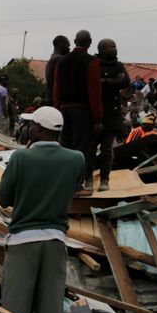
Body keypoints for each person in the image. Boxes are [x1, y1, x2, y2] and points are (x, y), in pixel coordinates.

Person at [0, 106, 86, 313]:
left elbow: (3, 198)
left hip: (23, 241)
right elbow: (75, 190)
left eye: (31, 125)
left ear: (38, 129)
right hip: (56, 242)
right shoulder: (76, 159)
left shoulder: (21, 158)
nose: (27, 129)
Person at [53, 30, 102, 194]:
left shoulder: (62, 61)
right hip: (82, 111)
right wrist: (97, 119)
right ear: (90, 42)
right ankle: (77, 184)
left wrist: (56, 111)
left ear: (75, 41)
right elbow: (94, 91)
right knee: (81, 149)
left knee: (65, 147)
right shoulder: (92, 62)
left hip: (64, 110)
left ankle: (64, 183)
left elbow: (56, 89)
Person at [95, 38, 131, 192]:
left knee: (107, 149)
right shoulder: (94, 64)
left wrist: (104, 80)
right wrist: (114, 80)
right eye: (112, 47)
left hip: (112, 114)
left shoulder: (118, 65)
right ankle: (87, 179)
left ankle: (105, 180)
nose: (116, 49)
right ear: (102, 49)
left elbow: (125, 81)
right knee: (90, 148)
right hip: (95, 113)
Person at [43, 35, 70, 105]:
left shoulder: (51, 60)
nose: (69, 49)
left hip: (50, 98)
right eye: (67, 46)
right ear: (61, 45)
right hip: (57, 100)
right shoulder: (60, 60)